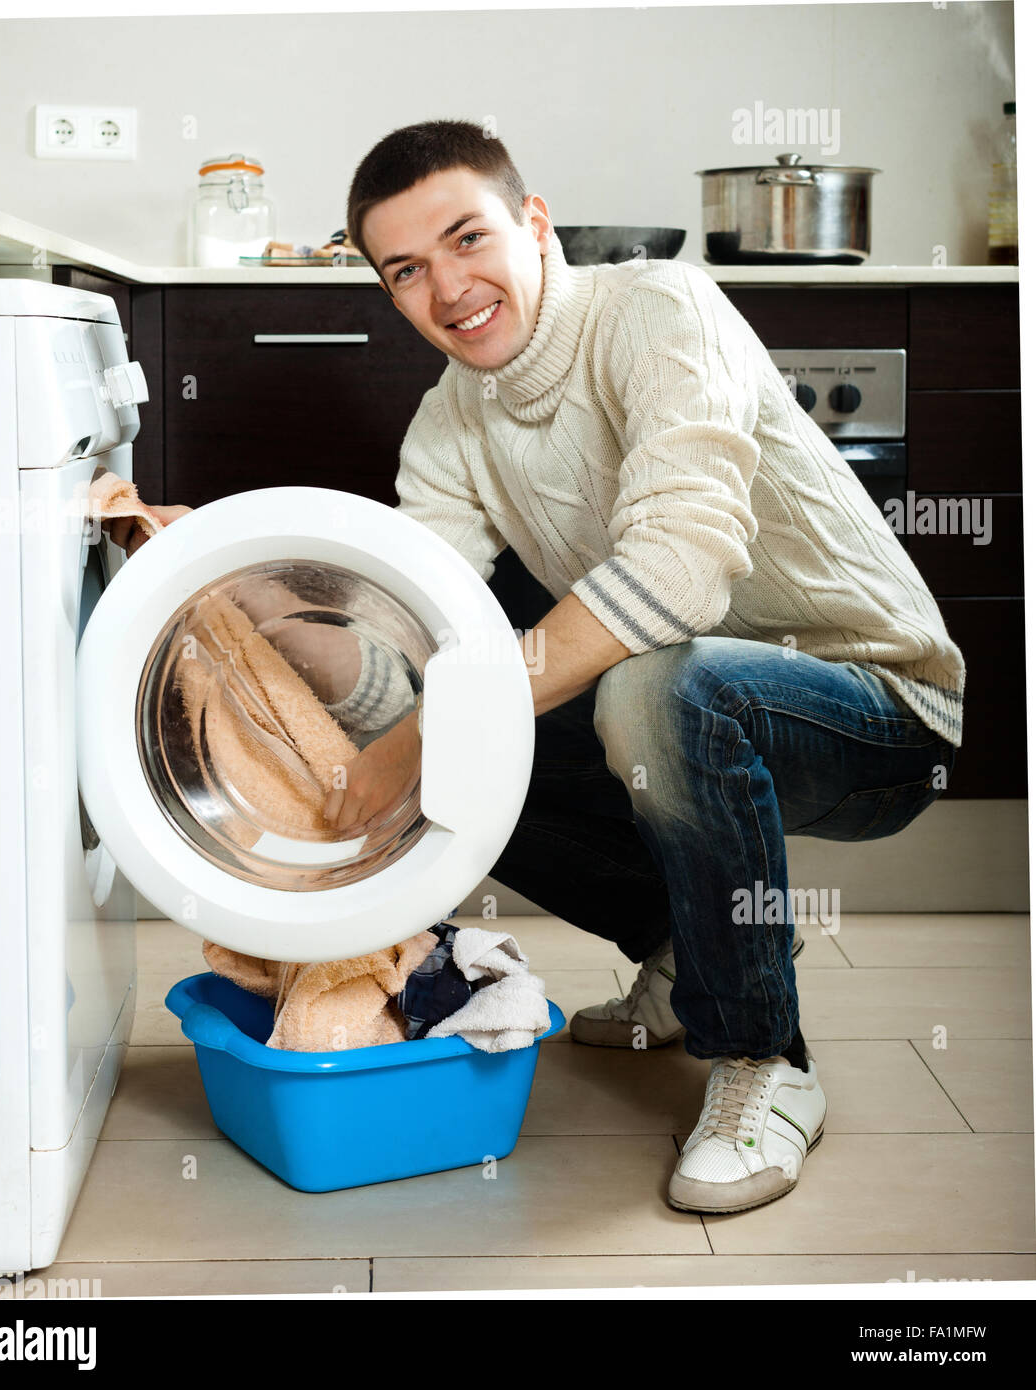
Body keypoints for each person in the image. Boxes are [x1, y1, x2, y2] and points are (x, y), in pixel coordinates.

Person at [111, 118, 964, 1215]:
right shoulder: (448, 427)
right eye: (406, 270)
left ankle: (763, 1056)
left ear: (534, 221)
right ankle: (680, 952)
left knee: (639, 688)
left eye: (467, 239)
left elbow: (682, 559)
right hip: (673, 694)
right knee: (476, 754)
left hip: (878, 703)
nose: (448, 287)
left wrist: (429, 735)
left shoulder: (655, 307)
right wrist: (228, 585)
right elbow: (403, 669)